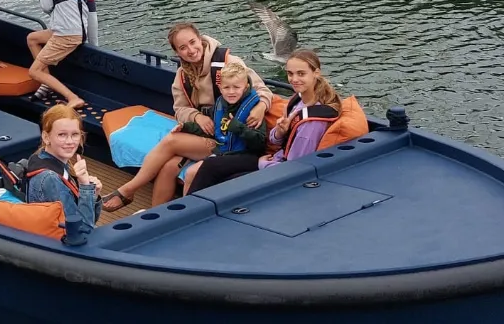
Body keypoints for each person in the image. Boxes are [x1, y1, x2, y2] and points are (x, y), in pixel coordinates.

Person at [102, 22, 272, 211]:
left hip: (227, 139)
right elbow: (180, 109)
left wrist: (261, 107)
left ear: (201, 39)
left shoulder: (228, 63)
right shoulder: (183, 74)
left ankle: (128, 190)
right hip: (205, 131)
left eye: (193, 42)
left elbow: (262, 89)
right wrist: (197, 117)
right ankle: (153, 216)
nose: (191, 50)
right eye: (183, 47)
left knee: (172, 141)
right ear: (177, 52)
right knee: (169, 167)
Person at [187, 48, 342, 194]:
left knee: (217, 173)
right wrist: (280, 131)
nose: (294, 79)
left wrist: (263, 163)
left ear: (316, 73)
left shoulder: (311, 123)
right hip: (275, 159)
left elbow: (295, 167)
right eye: (290, 74)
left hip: (280, 171)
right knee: (214, 171)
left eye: (301, 74)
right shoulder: (298, 101)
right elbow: (275, 138)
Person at [27, 0, 98, 110]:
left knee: (34, 71)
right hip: (78, 34)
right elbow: (93, 19)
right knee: (32, 38)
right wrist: (94, 46)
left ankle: (72, 97)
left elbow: (46, 6)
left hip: (65, 34)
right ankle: (47, 82)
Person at [180, 61, 266, 193]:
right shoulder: (221, 104)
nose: (231, 92)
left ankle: (191, 210)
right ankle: (185, 208)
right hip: (225, 152)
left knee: (204, 168)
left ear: (246, 87)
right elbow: (214, 130)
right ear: (220, 88)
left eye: (236, 87)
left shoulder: (253, 110)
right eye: (226, 88)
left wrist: (238, 128)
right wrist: (186, 127)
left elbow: (259, 144)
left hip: (247, 156)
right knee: (190, 172)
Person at [24, 105, 102, 234]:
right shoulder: (50, 178)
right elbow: (81, 231)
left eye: (75, 134)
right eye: (62, 135)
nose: (70, 141)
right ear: (46, 137)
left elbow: (90, 220)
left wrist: (94, 195)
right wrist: (84, 187)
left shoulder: (42, 158)